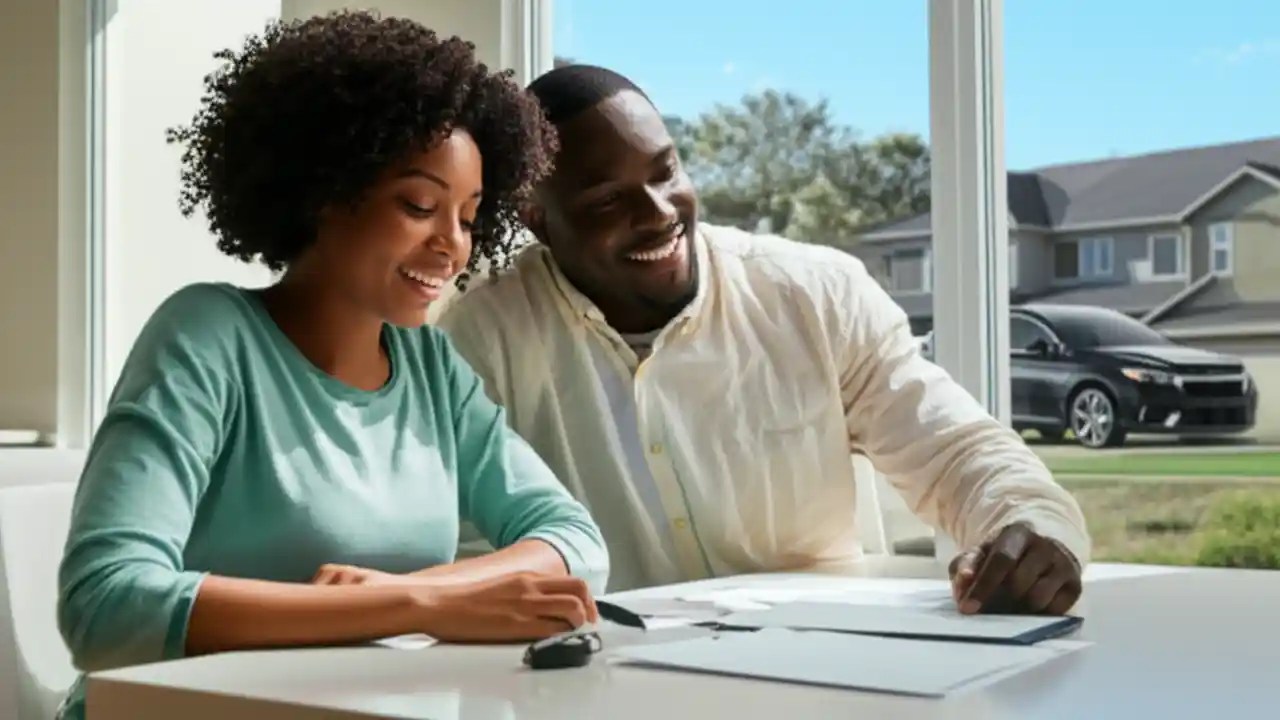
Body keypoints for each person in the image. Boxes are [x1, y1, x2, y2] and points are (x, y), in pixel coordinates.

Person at [56, 15, 607, 720]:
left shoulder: (429, 365)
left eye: (469, 217)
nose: (452, 245)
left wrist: (442, 592)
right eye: (419, 205)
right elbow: (105, 605)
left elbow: (573, 541)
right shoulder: (207, 336)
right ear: (324, 190)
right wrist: (416, 603)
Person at [437, 64, 1090, 613]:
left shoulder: (816, 294)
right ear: (537, 221)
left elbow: (957, 452)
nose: (660, 214)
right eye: (610, 202)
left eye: (665, 172)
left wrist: (1028, 526)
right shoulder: (483, 341)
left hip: (821, 681)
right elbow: (467, 553)